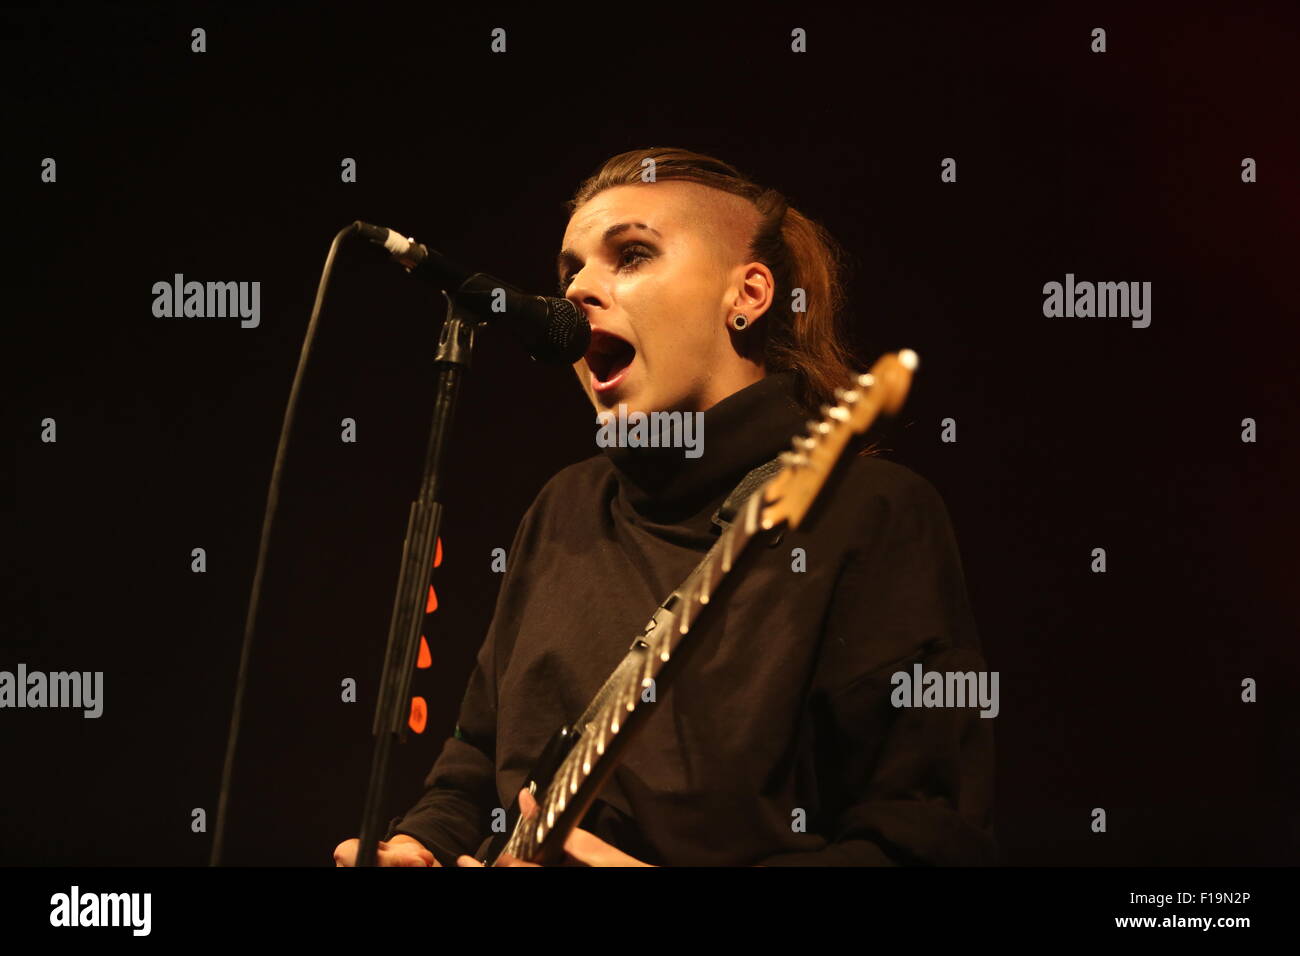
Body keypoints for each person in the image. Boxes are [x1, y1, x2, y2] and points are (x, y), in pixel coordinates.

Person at [334, 147, 997, 867]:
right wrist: (421, 842)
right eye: (570, 271)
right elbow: (474, 761)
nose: (577, 291)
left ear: (747, 294)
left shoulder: (870, 512)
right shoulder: (566, 505)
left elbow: (921, 840)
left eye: (632, 255)